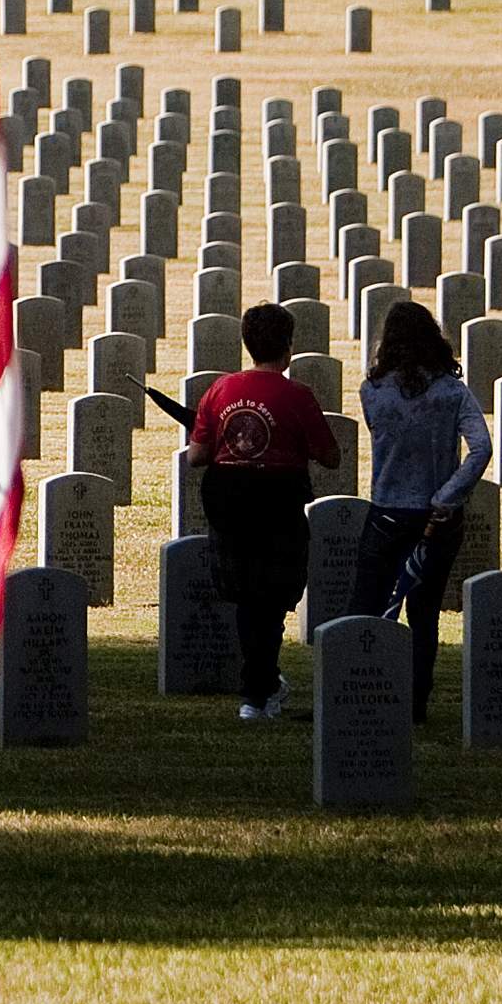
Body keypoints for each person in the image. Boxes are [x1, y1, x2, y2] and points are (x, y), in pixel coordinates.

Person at [186, 302, 337, 720]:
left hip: (229, 502)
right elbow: (331, 456)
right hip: (277, 503)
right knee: (269, 600)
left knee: (248, 598)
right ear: (288, 347)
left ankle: (260, 688)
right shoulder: (298, 396)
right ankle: (258, 692)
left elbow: (196, 456)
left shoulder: (220, 390)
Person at [351, 298, 493, 723]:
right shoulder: (452, 391)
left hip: (387, 512)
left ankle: (357, 692)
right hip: (437, 518)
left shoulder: (372, 391)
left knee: (366, 607)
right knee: (424, 613)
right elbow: (481, 448)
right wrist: (448, 496)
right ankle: (415, 703)